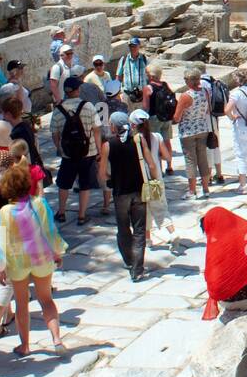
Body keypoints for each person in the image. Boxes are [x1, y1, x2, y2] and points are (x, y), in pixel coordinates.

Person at [0, 164, 67, 356]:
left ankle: (24, 345)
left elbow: (3, 242)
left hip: (18, 263)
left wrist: (1, 266)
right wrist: (57, 252)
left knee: (22, 304)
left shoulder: (6, 211)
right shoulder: (40, 204)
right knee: (46, 300)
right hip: (42, 257)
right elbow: (50, 231)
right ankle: (57, 338)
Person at [97, 111, 158, 283]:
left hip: (120, 193)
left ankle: (130, 262)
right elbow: (151, 164)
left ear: (114, 127)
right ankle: (138, 269)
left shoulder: (108, 145)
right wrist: (155, 180)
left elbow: (102, 174)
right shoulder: (139, 140)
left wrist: (112, 178)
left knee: (123, 229)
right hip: (139, 191)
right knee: (139, 230)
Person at [51, 76, 104, 225]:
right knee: (85, 184)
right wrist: (99, 150)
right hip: (88, 151)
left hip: (68, 153)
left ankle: (61, 212)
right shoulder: (88, 107)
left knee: (64, 183)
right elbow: (97, 129)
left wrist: (60, 148)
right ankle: (81, 215)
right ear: (77, 90)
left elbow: (55, 134)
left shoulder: (58, 110)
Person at [128, 109, 175, 244]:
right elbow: (167, 156)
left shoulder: (134, 140)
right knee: (161, 207)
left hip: (140, 180)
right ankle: (173, 232)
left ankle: (148, 239)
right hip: (156, 178)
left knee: (143, 210)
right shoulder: (157, 137)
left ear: (133, 125)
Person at [173, 69, 213, 200]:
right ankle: (206, 189)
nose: (185, 81)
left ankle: (192, 190)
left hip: (188, 131)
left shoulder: (186, 96)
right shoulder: (205, 92)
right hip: (202, 128)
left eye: (186, 79)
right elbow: (207, 110)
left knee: (190, 160)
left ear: (191, 80)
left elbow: (177, 117)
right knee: (203, 159)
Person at [142, 64, 177, 176]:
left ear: (151, 76)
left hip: (154, 118)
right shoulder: (165, 85)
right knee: (167, 141)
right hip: (166, 118)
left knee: (156, 143)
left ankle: (159, 169)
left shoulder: (148, 88)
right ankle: (170, 166)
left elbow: (145, 106)